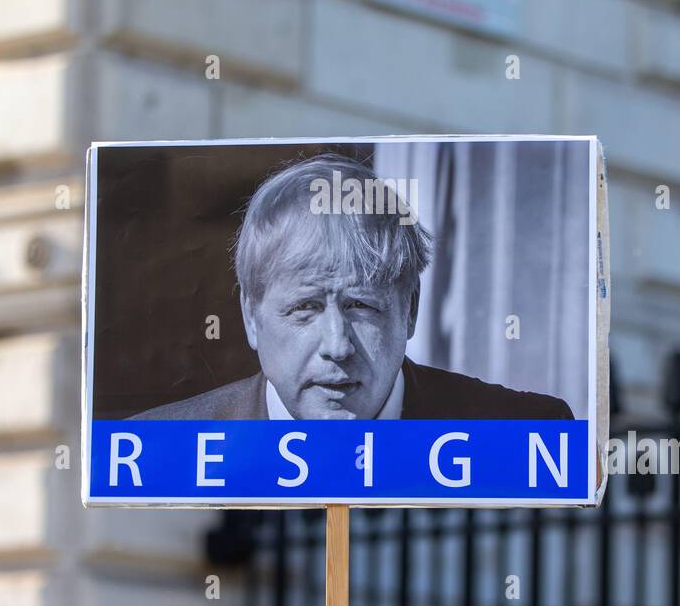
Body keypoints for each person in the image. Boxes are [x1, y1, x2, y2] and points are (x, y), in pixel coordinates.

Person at [133, 154, 572, 420]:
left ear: (410, 310)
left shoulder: (528, 433)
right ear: (251, 316)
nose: (337, 346)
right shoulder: (157, 448)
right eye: (304, 307)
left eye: (361, 305)